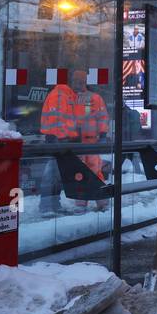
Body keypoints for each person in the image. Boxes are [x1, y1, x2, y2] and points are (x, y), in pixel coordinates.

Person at [40, 69, 109, 212]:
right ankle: (82, 203)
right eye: (77, 81)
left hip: (87, 143)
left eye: (81, 81)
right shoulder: (69, 98)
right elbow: (67, 119)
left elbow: (101, 117)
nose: (79, 84)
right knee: (79, 173)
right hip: (75, 142)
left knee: (94, 171)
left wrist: (102, 134)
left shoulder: (92, 98)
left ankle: (101, 201)